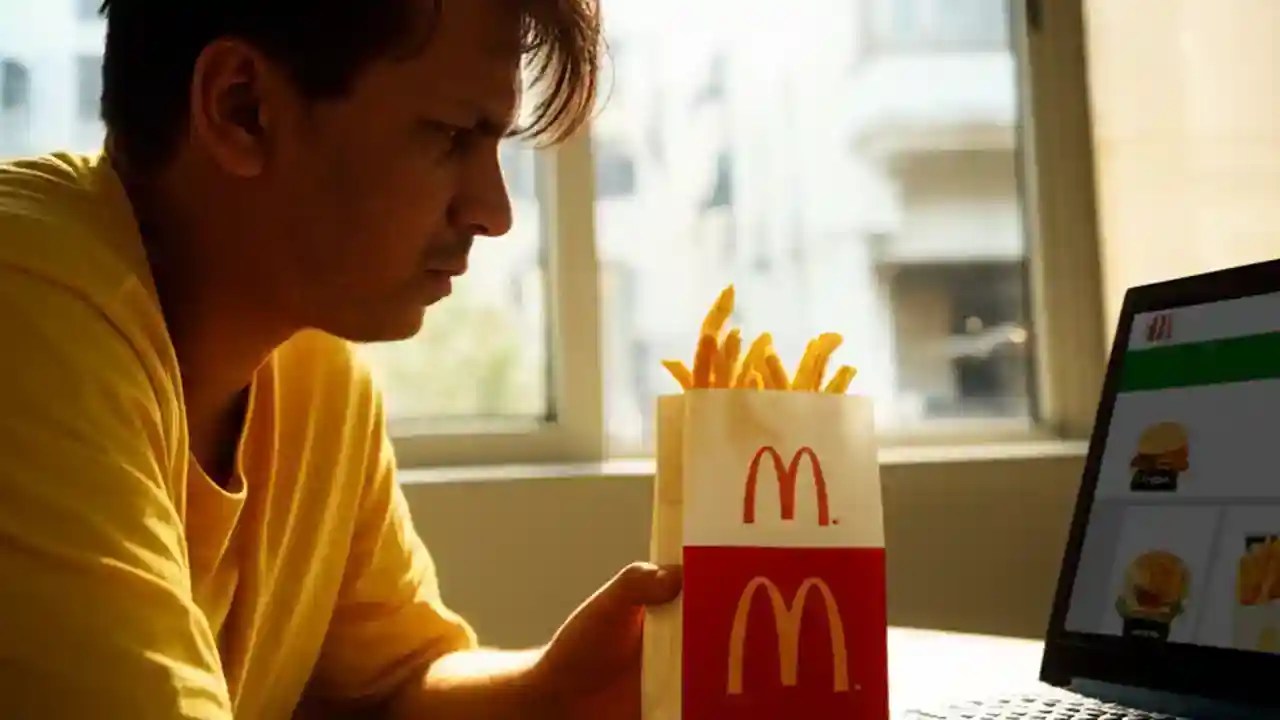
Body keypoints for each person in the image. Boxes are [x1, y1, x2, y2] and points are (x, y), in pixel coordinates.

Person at [0, 1, 681, 718]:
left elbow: (391, 684)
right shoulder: (28, 307)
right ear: (242, 108)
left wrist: (548, 694)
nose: (494, 211)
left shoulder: (312, 362)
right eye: (451, 135)